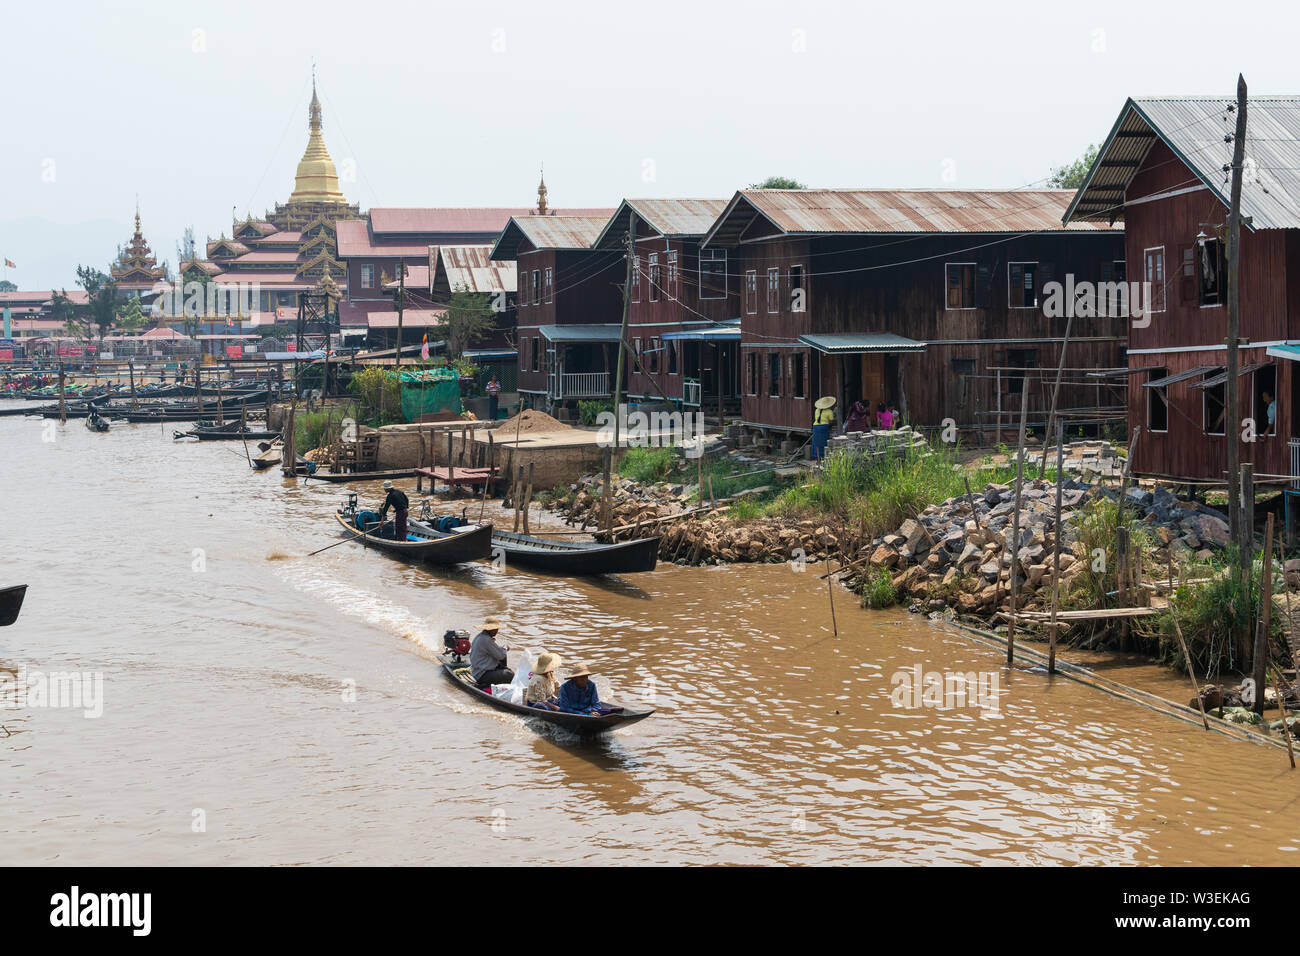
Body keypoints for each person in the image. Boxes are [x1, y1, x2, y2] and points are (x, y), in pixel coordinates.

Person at [469, 616, 513, 687]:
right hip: (481, 675)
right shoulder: (486, 640)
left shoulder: (480, 637)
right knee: (510, 675)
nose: (496, 631)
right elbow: (501, 656)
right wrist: (505, 648)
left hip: (476, 671)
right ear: (489, 629)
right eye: (495, 629)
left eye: (497, 629)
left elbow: (495, 651)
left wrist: (502, 649)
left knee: (506, 669)